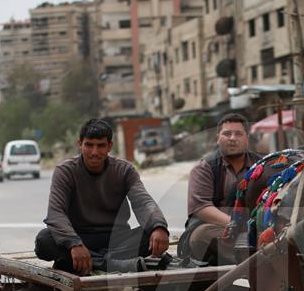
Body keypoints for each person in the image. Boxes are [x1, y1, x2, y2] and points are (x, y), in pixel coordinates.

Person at [34, 118, 170, 274]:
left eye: (101, 146)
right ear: (80, 144)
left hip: (116, 238)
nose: (94, 152)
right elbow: (56, 213)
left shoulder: (124, 170)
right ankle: (109, 263)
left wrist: (158, 226)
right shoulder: (65, 171)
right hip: (79, 236)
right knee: (44, 241)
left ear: (110, 146)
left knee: (151, 235)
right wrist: (74, 243)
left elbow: (143, 202)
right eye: (89, 145)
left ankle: (94, 261)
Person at [181, 113, 261, 264]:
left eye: (238, 133)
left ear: (247, 138)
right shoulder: (204, 168)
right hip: (217, 228)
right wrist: (237, 225)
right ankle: (253, 261)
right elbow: (201, 207)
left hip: (255, 228)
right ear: (218, 138)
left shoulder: (262, 166)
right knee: (202, 235)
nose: (232, 138)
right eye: (227, 134)